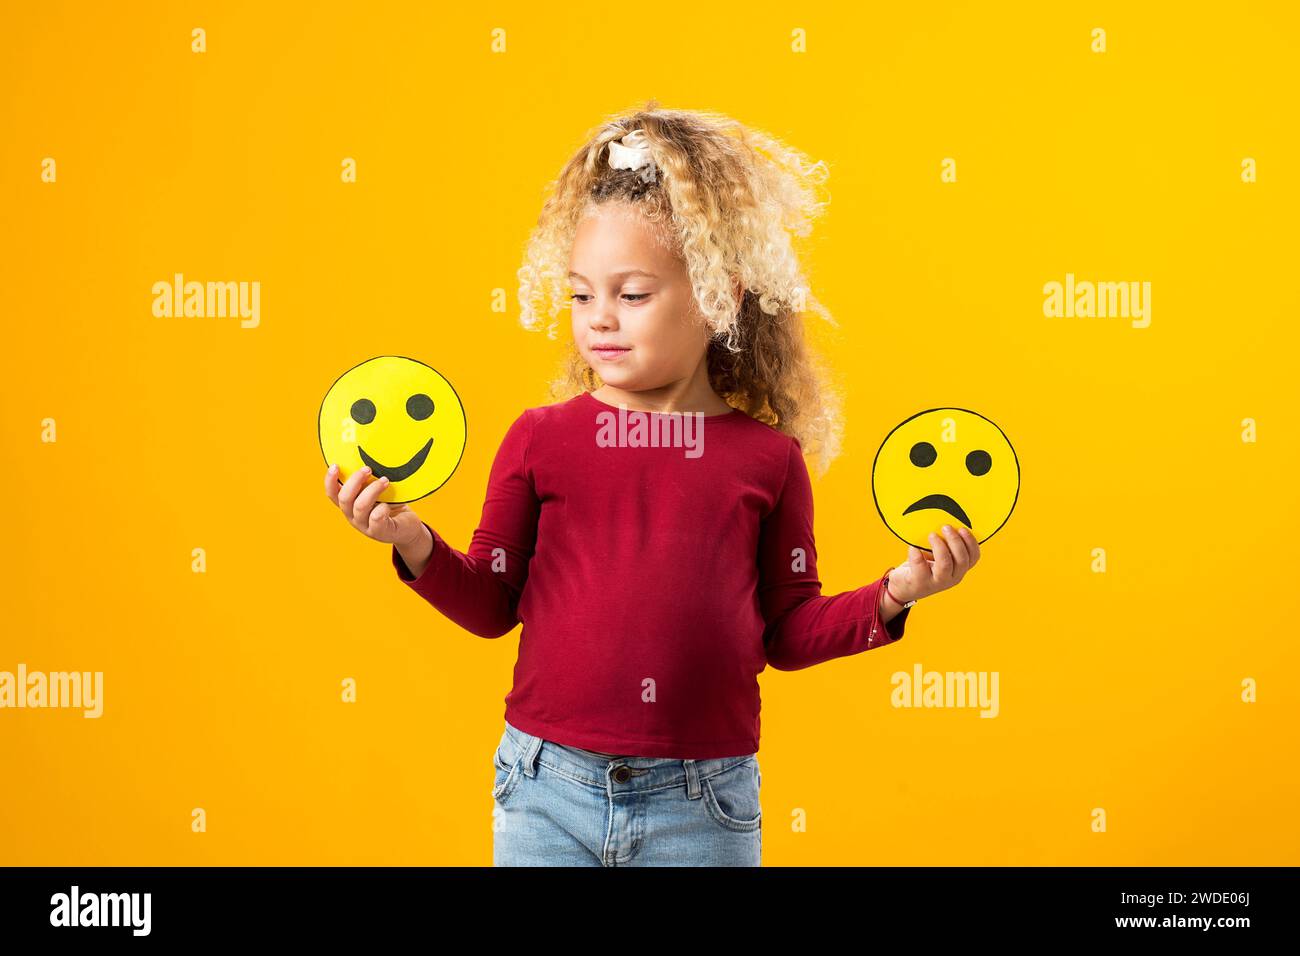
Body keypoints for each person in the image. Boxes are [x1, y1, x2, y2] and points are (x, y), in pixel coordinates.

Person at [323, 102, 980, 866]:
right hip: (543, 789)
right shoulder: (539, 439)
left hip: (703, 806)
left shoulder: (767, 461)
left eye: (631, 295)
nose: (599, 319)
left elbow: (787, 633)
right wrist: (411, 541)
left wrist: (894, 594)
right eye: (580, 295)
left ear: (717, 295)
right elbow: (491, 604)